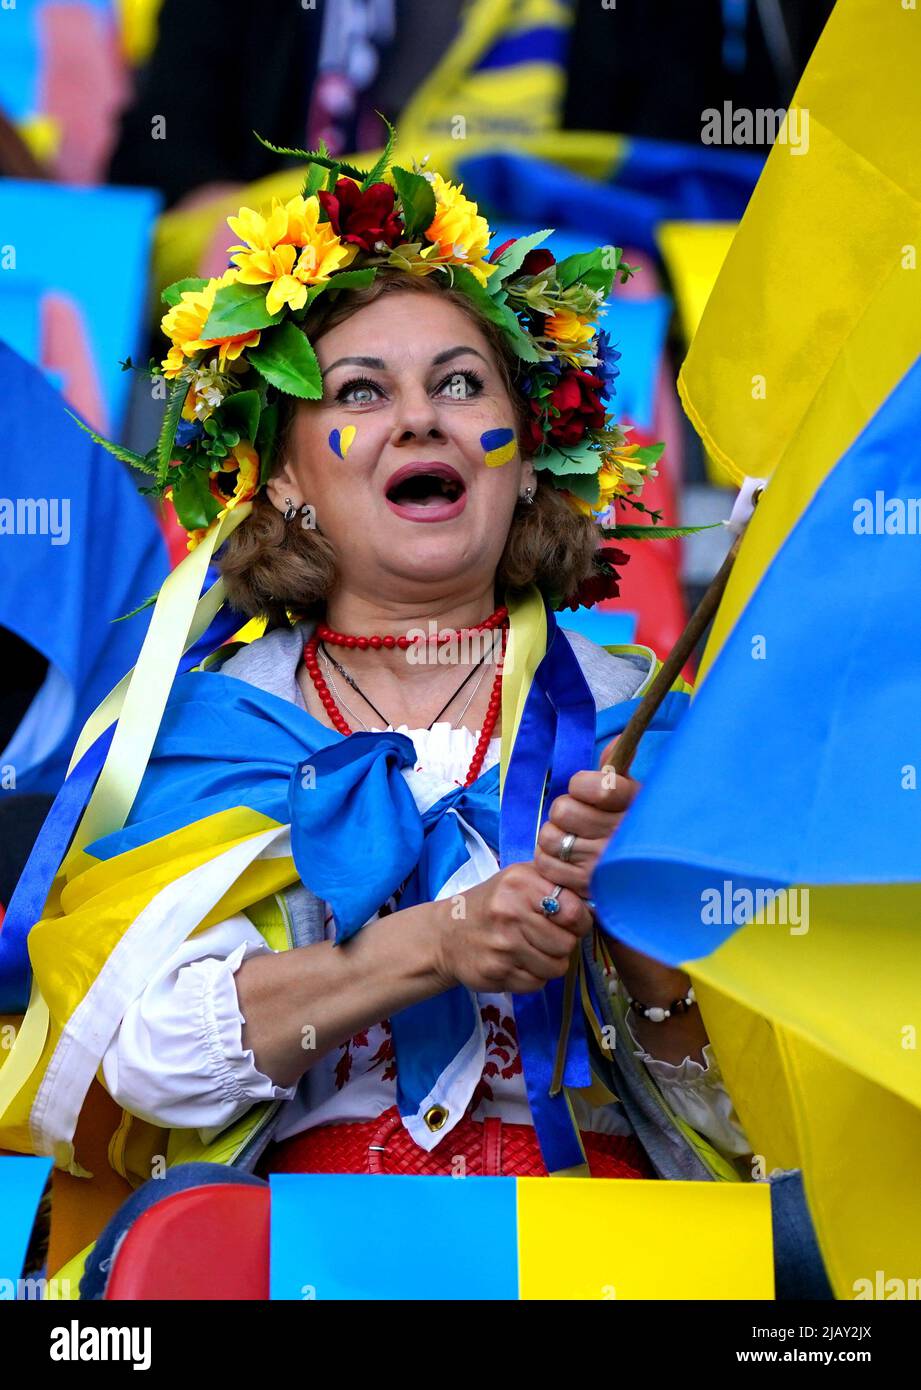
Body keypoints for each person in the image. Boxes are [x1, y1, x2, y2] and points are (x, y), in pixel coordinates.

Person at [2, 128, 830, 1299]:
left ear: (527, 455)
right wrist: (435, 944)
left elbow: (761, 1127)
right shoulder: (196, 730)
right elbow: (139, 1065)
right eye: (357, 392)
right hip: (294, 1268)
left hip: (615, 1269)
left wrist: (643, 941)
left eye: (460, 384)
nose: (422, 419)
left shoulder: (646, 724)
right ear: (281, 474)